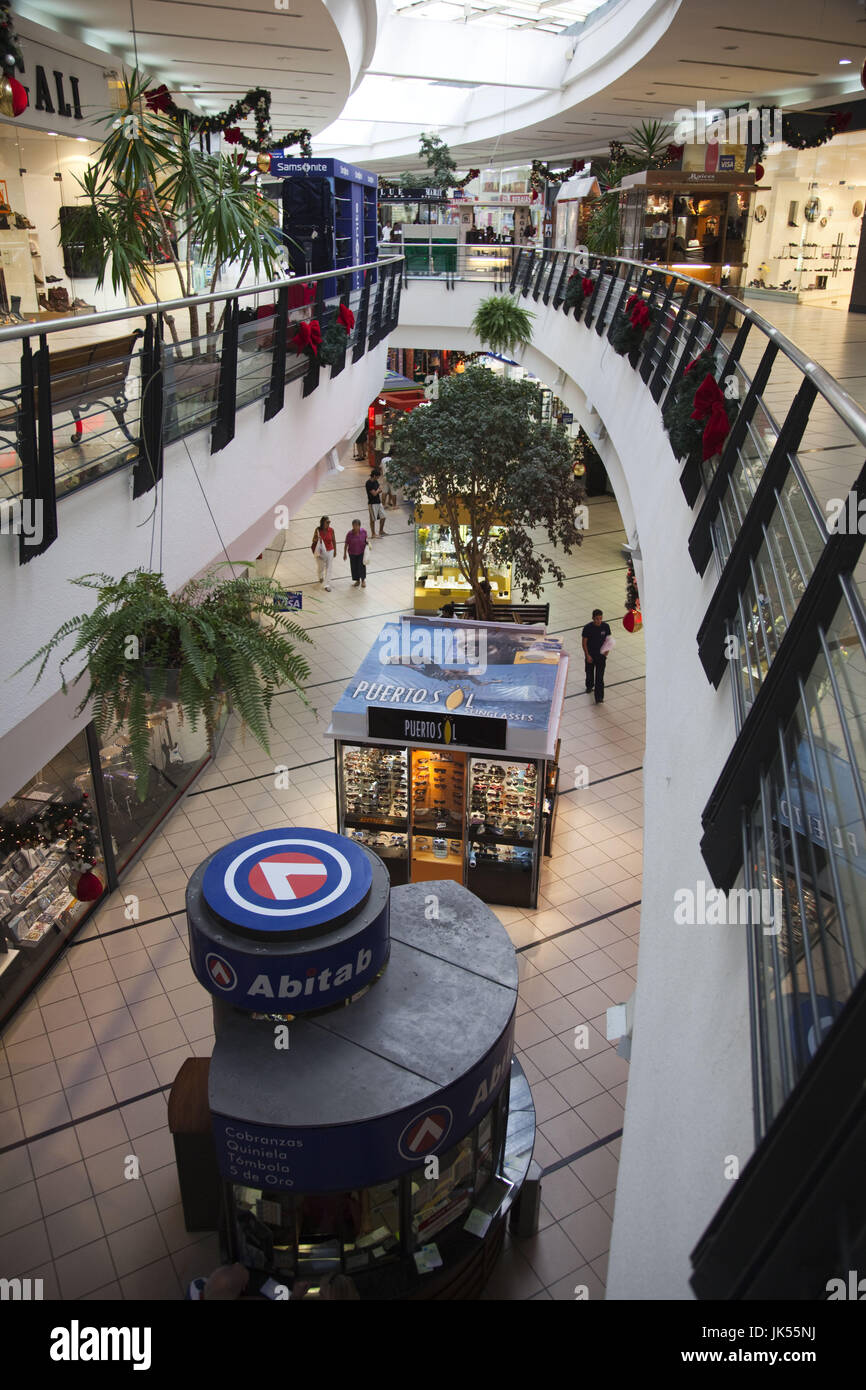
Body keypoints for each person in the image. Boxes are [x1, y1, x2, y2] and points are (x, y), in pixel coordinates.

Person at [582, 608, 612, 704]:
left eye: (600, 619)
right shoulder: (587, 628)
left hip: (601, 656)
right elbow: (584, 643)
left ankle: (599, 697)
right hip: (590, 655)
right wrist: (587, 655)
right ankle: (589, 686)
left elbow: (609, 640)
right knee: (589, 673)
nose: (598, 621)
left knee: (599, 677)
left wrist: (607, 650)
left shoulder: (606, 626)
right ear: (593, 618)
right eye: (596, 619)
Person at [311, 515, 336, 590]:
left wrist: (335, 550)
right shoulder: (318, 530)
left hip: (330, 550)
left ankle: (327, 585)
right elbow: (313, 540)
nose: (329, 524)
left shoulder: (331, 530)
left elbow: (334, 541)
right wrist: (318, 539)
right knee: (321, 567)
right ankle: (320, 576)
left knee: (329, 568)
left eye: (329, 522)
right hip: (320, 552)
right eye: (327, 522)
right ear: (322, 523)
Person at [344, 518, 368, 587]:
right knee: (354, 567)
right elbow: (346, 544)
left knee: (362, 566)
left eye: (357, 525)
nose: (355, 527)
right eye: (354, 525)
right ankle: (357, 580)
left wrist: (368, 544)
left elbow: (366, 539)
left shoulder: (363, 531)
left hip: (361, 552)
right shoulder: (349, 534)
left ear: (359, 526)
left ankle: (363, 580)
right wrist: (344, 553)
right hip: (352, 553)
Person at [365, 468, 386, 536]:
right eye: (377, 476)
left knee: (383, 517)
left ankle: (381, 531)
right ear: (374, 475)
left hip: (378, 502)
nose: (378, 478)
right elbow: (374, 493)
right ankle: (373, 533)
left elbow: (379, 488)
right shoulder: (368, 483)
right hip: (372, 503)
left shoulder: (376, 481)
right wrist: (378, 491)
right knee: (373, 519)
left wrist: (377, 491)